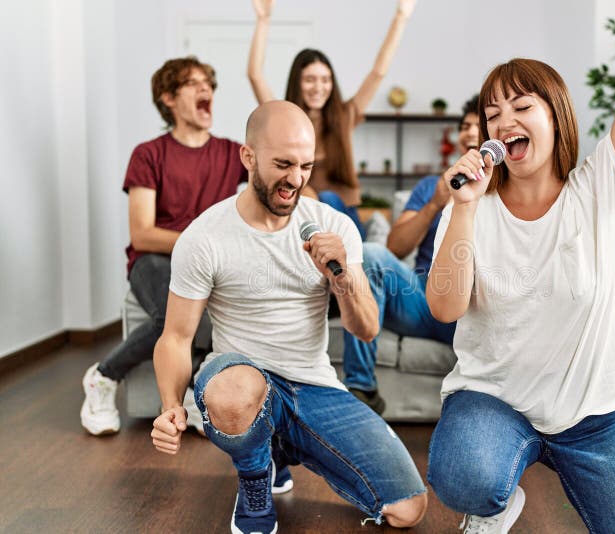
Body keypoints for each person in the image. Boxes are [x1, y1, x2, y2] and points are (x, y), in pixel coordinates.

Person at [426, 2, 615, 532]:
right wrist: (463, 208)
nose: (503, 120)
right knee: (464, 475)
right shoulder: (469, 210)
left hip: (591, 417)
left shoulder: (600, 189)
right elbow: (444, 308)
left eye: (521, 105)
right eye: (493, 112)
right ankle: (493, 506)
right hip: (491, 402)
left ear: (556, 116)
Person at [150, 101, 428, 534]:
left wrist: (342, 278)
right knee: (235, 392)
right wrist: (170, 406)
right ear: (248, 157)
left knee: (407, 509)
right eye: (283, 164)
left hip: (312, 385)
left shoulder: (333, 227)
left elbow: (366, 329)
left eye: (305, 166)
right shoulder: (205, 236)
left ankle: (279, 447)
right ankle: (255, 479)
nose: (296, 179)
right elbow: (175, 337)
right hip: (243, 380)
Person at [80, 56, 247, 437]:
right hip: (153, 260)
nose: (205, 88)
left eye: (209, 83)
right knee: (171, 317)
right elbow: (142, 233)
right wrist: (200, 244)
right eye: (193, 83)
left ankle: (191, 392)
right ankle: (103, 376)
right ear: (168, 98)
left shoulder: (231, 153)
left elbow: (273, 176)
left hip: (206, 264)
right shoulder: (149, 154)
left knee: (225, 314)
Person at [341, 96, 480, 414]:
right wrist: (435, 203)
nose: (470, 132)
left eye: (478, 126)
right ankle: (362, 389)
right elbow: (395, 248)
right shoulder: (432, 186)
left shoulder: (506, 190)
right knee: (371, 254)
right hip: (419, 298)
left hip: (469, 309)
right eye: (465, 126)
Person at [247, 0, 417, 239]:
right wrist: (263, 20)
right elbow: (255, 75)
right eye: (310, 80)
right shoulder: (283, 119)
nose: (319, 87)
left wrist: (401, 16)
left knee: (325, 198)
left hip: (344, 220)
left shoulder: (344, 115)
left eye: (325, 80)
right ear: (297, 82)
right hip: (303, 218)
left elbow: (378, 72)